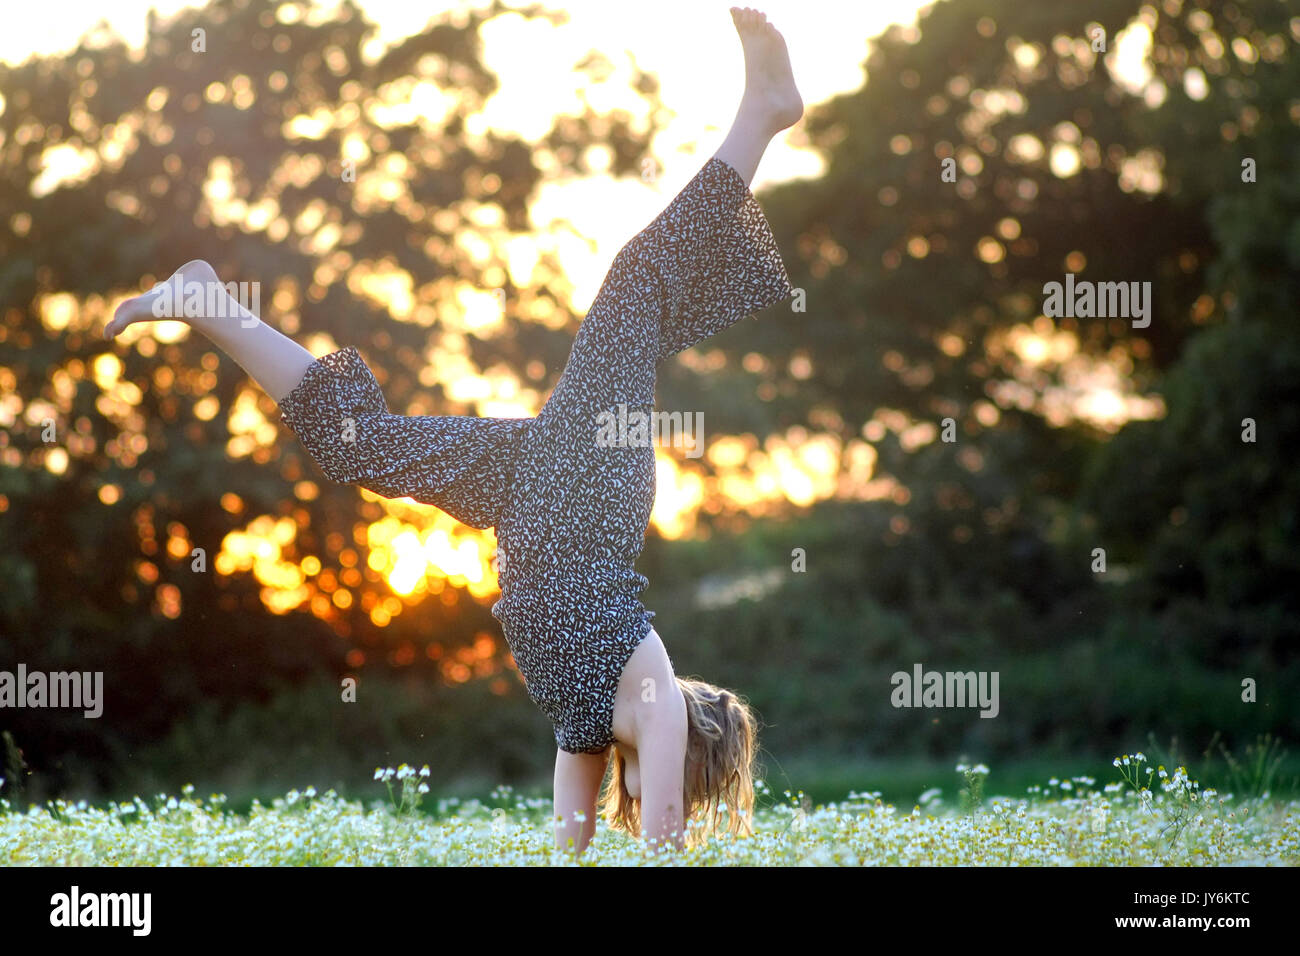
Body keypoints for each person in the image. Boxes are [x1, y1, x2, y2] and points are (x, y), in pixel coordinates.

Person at [105, 6, 802, 855]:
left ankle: (208, 306)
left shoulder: (582, 736)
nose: (644, 790)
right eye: (672, 782)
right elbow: (661, 847)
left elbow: (566, 851)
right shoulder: (653, 697)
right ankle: (761, 115)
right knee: (635, 282)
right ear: (689, 752)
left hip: (525, 494)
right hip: (587, 486)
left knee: (365, 446)